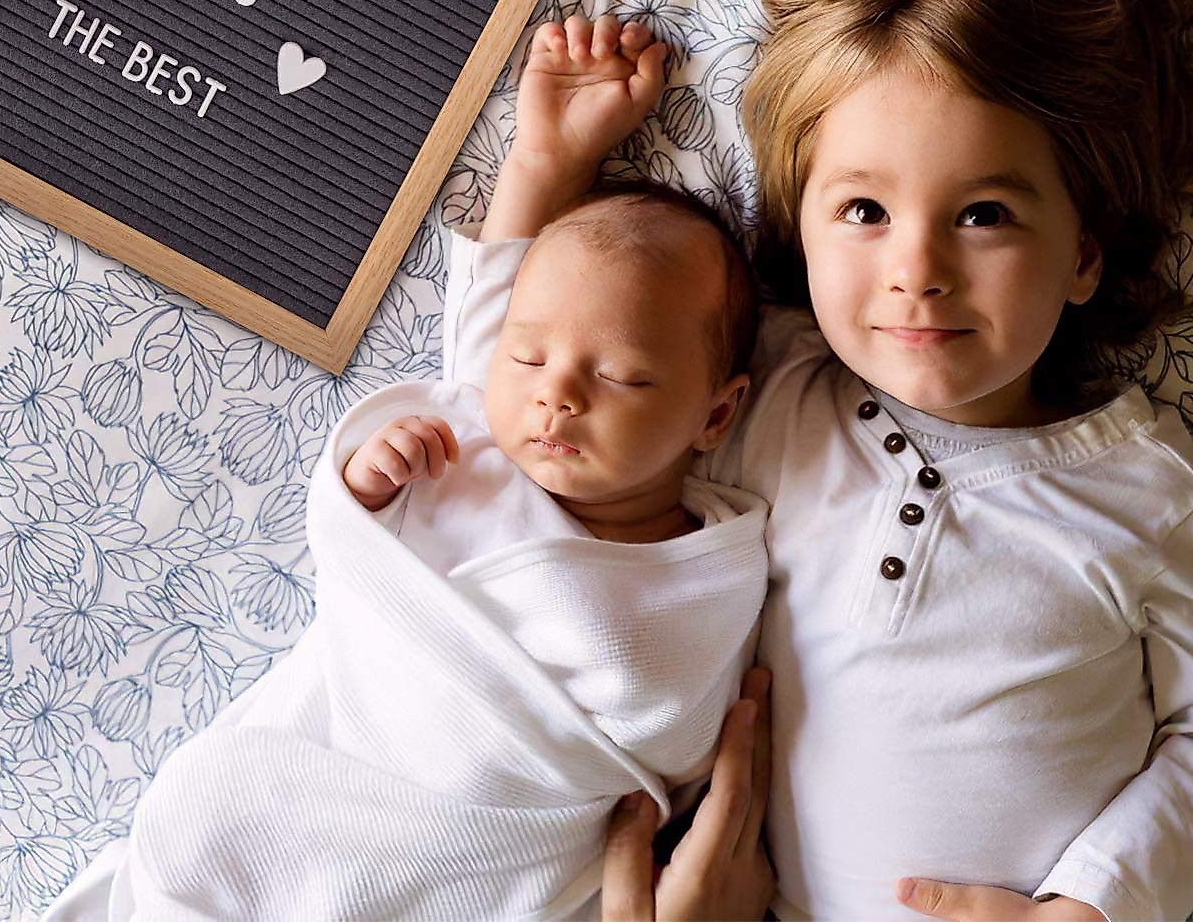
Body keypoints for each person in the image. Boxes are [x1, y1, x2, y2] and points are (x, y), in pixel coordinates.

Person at [444, 0, 1193, 922]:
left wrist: (1097, 901)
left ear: (1083, 254)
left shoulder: (1146, 487)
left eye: (983, 214)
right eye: (864, 212)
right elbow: (518, 391)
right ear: (798, 231)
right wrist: (544, 168)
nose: (916, 270)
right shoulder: (763, 395)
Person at [41, 100, 774, 918]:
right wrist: (363, 488)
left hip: (481, 843)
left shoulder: (710, 568)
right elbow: (490, 309)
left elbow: (677, 731)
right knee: (212, 817)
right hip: (316, 782)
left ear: (715, 414)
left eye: (620, 377)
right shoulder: (467, 445)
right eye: (527, 356)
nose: (554, 394)